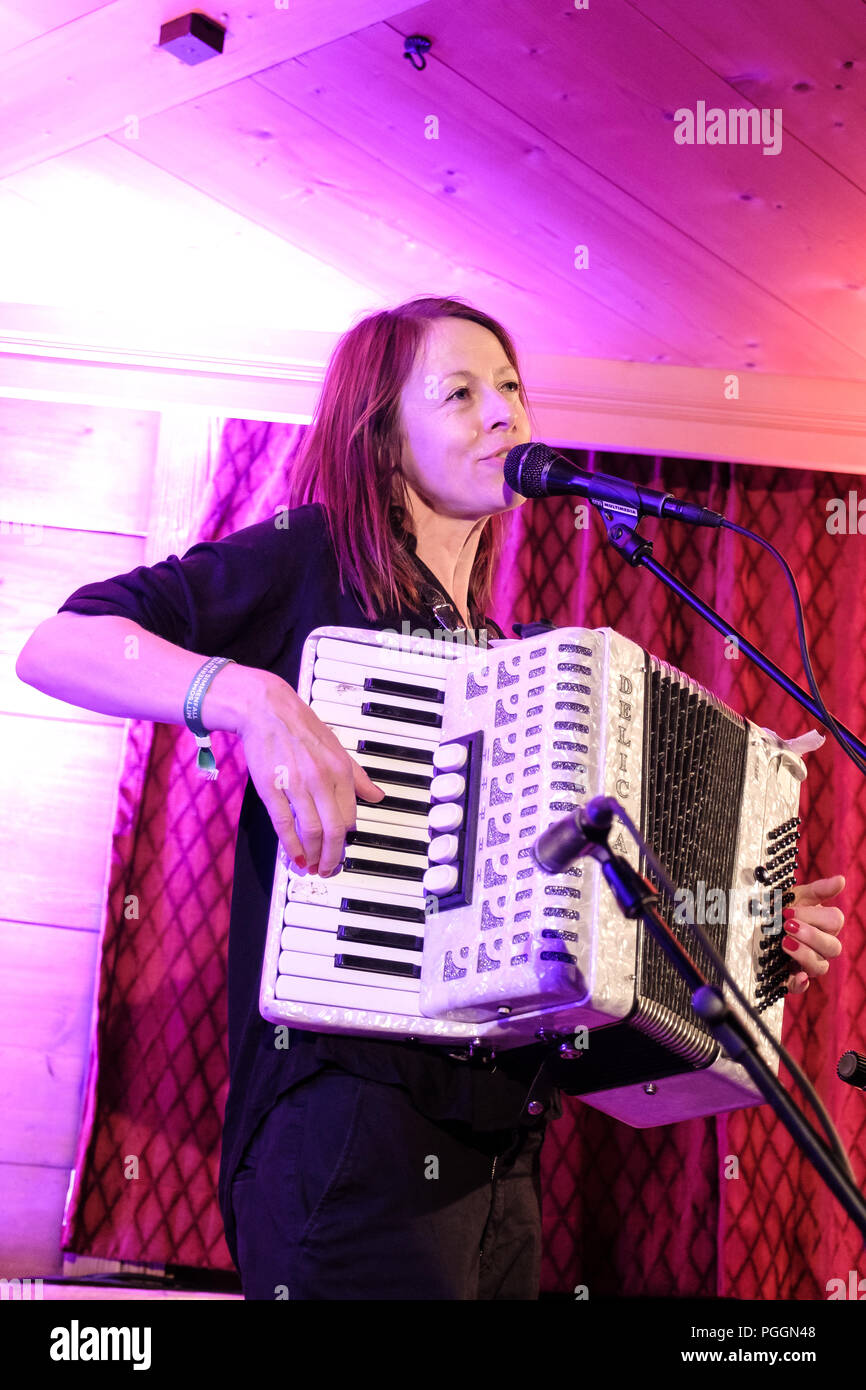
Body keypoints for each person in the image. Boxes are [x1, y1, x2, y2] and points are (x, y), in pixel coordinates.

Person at [16, 296, 846, 1301]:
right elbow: (55, 643)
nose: (503, 414)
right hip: (347, 1135)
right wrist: (241, 693)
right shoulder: (309, 556)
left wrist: (741, 938)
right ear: (379, 435)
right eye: (459, 393)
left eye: (509, 389)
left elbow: (580, 969)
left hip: (497, 1154)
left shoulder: (509, 662)